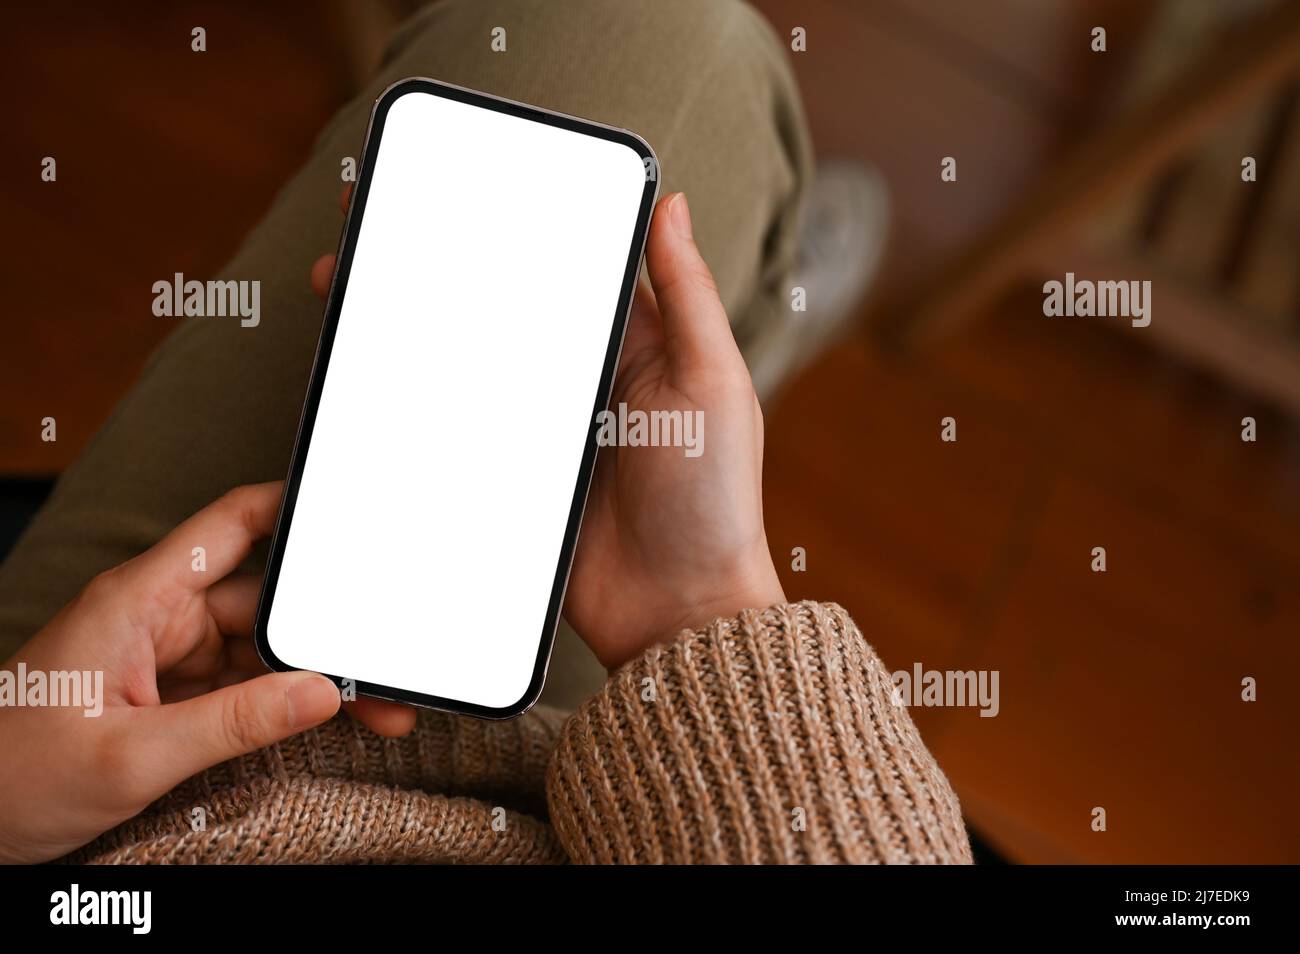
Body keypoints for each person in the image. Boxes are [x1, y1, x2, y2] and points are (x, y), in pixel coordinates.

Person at [0, 0, 970, 863]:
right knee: (672, 37)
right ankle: (765, 313)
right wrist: (701, 614)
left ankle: (760, 310)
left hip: (69, 803)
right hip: (555, 801)